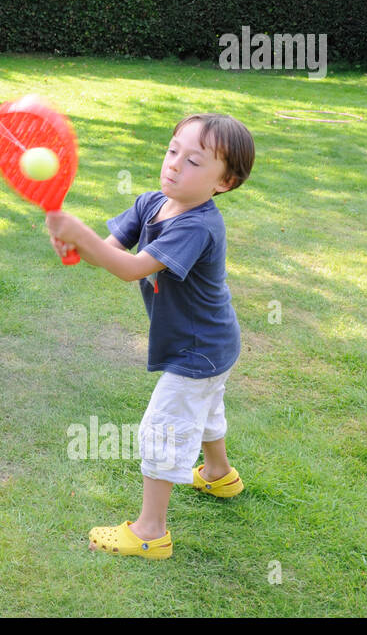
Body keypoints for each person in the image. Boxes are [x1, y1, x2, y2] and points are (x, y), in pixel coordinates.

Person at [45, 113, 255, 560]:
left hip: (198, 350)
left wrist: (79, 233)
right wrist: (75, 244)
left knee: (164, 428)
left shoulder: (196, 226)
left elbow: (128, 269)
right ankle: (218, 473)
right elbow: (110, 250)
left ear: (225, 182)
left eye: (195, 161)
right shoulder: (151, 203)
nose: (175, 165)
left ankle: (150, 532)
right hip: (215, 342)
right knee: (206, 408)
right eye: (173, 150)